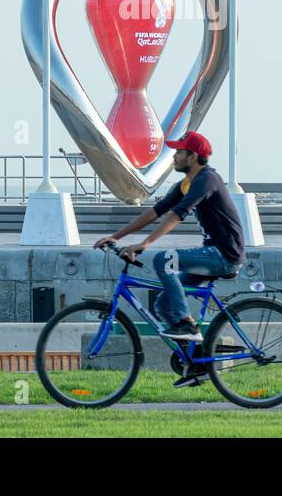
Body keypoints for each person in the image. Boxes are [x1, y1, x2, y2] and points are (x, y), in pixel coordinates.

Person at [94, 131, 245, 349]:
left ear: (192, 157)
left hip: (223, 255)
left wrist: (145, 244)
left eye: (179, 152)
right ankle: (193, 360)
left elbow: (177, 215)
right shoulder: (186, 184)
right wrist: (116, 236)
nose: (173, 157)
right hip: (210, 254)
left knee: (164, 260)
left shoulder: (207, 179)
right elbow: (155, 212)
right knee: (164, 305)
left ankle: (187, 324)